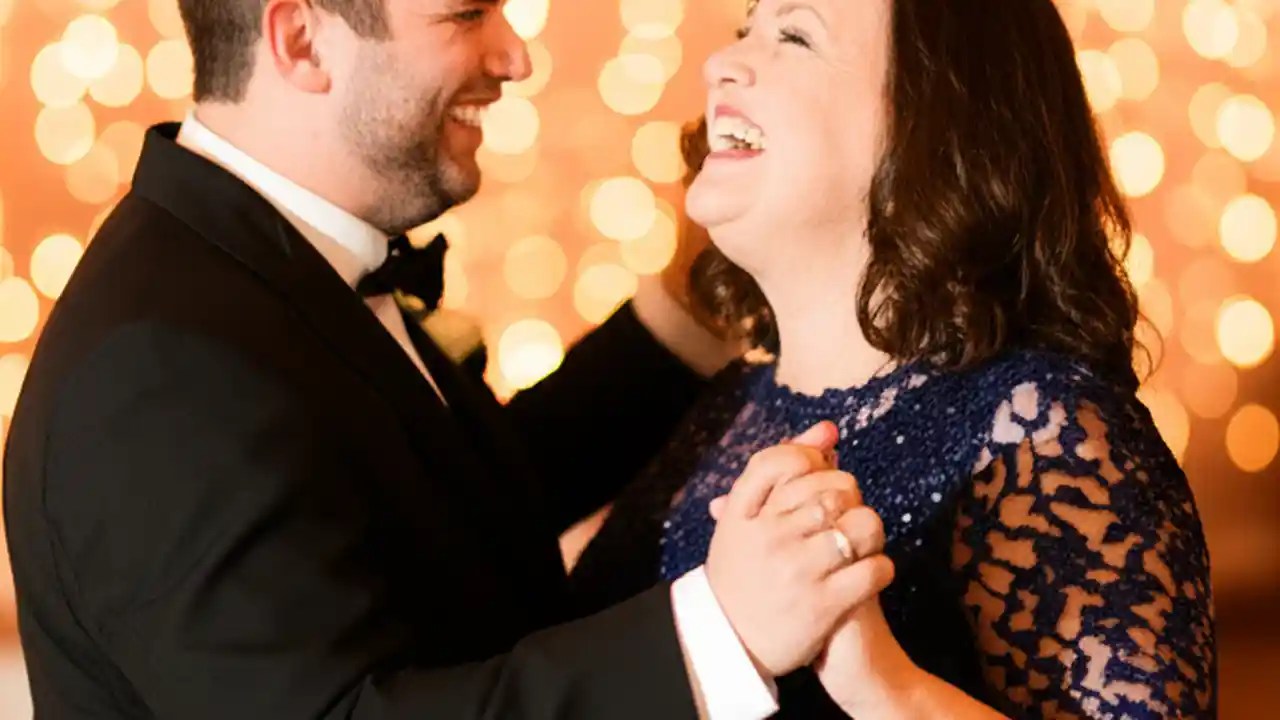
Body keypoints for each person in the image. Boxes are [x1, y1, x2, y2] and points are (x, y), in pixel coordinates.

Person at [2, 0, 895, 717]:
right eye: (467, 14)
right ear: (303, 39)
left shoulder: (266, 271)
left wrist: (691, 310)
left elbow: (452, 512)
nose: (515, 56)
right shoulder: (162, 367)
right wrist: (718, 632)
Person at [569, 0, 1217, 717]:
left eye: (793, 35)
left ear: (935, 128)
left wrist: (882, 684)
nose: (720, 62)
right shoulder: (725, 408)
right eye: (743, 31)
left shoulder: (1039, 430)